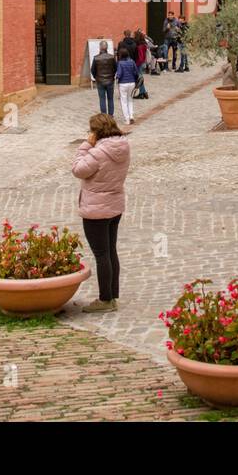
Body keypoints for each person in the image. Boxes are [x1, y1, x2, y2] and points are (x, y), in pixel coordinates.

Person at [72, 113, 130, 313]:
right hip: (114, 205)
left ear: (97, 132)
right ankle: (112, 296)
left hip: (96, 208)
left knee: (101, 254)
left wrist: (85, 146)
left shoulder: (97, 153)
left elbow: (78, 170)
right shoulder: (123, 146)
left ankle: (105, 300)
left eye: (91, 131)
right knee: (111, 251)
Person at [90, 40, 117, 116]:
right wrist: (112, 75)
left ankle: (104, 115)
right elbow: (115, 68)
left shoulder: (96, 58)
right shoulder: (112, 57)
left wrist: (96, 77)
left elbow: (92, 70)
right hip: (110, 80)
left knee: (102, 99)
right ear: (107, 47)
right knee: (110, 99)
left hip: (100, 81)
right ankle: (111, 115)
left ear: (100, 47)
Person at [115, 45, 140, 123]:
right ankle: (131, 116)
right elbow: (136, 72)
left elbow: (119, 74)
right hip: (131, 82)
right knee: (130, 100)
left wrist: (116, 77)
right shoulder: (132, 61)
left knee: (124, 101)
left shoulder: (120, 63)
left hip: (123, 84)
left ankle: (127, 119)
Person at [133, 29, 149, 99]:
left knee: (139, 79)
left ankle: (143, 93)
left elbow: (140, 57)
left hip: (139, 63)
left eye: (134, 36)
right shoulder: (144, 44)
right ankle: (143, 93)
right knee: (140, 78)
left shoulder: (139, 46)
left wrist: (136, 65)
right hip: (142, 63)